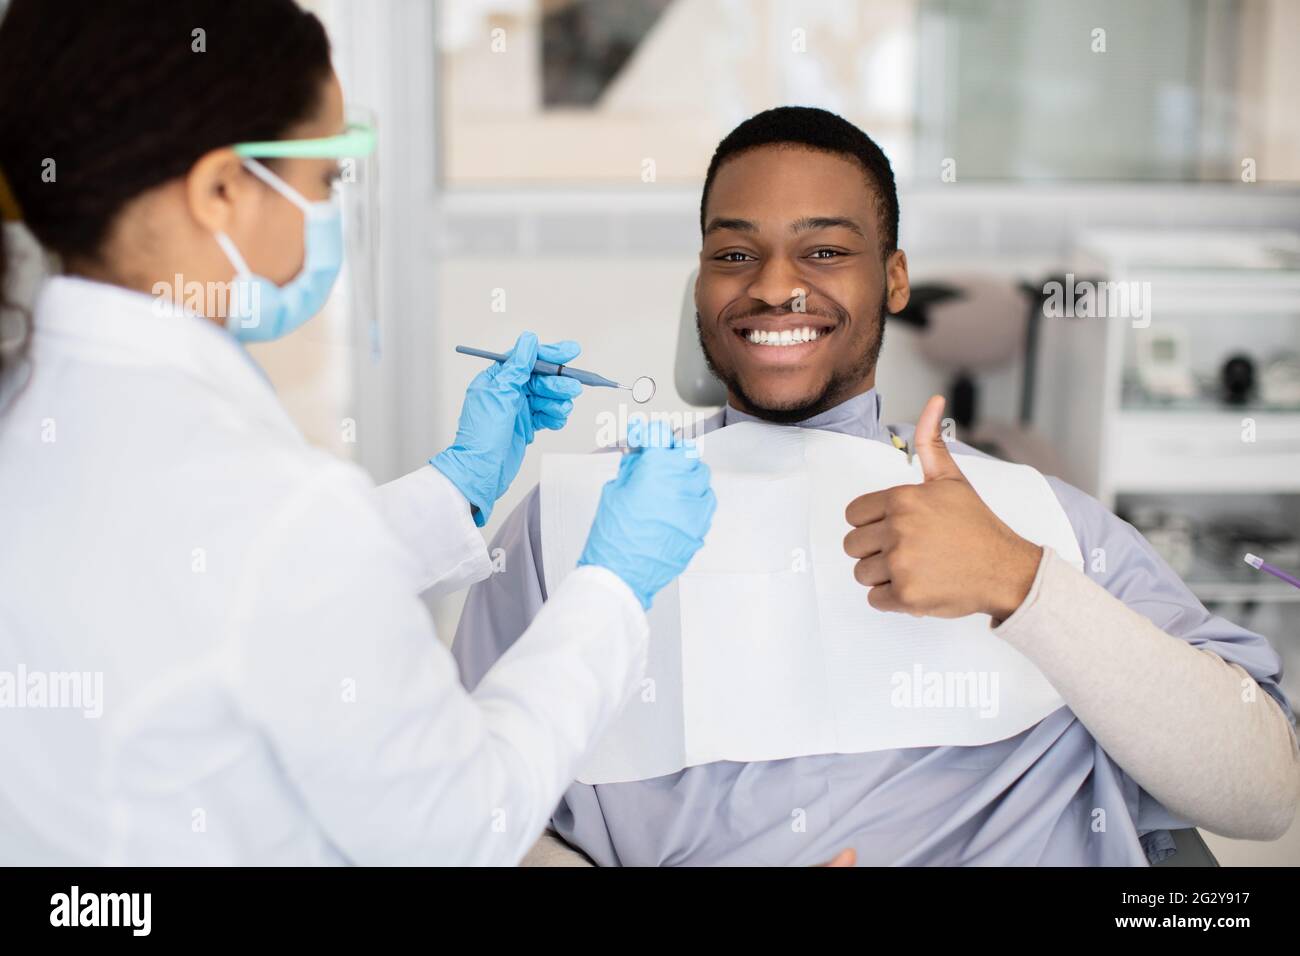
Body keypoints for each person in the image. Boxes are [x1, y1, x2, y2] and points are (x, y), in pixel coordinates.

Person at [454, 106, 1300, 866]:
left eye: (824, 250)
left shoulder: (1041, 522)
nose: (777, 285)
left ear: (893, 278)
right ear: (703, 282)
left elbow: (1262, 793)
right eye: (735, 253)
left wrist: (1021, 584)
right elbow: (466, 814)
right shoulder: (567, 527)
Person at [0, 0, 714, 865]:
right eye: (325, 179)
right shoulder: (269, 508)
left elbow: (223, 596)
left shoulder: (37, 411)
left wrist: (457, 484)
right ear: (222, 188)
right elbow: (465, 825)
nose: (331, 209)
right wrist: (614, 585)